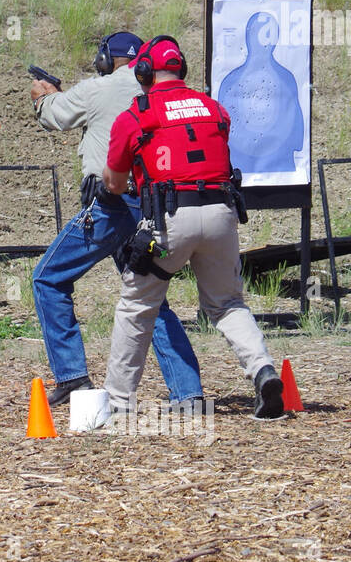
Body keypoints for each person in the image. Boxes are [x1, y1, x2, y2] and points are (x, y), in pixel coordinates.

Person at [101, 36, 285, 419]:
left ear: (144, 72)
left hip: (169, 220)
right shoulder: (214, 108)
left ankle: (118, 405)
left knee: (137, 306)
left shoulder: (135, 115)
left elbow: (115, 183)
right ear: (181, 69)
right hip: (221, 214)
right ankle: (263, 370)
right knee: (228, 304)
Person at [30, 32, 204, 409]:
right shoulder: (161, 93)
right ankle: (188, 392)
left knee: (48, 278)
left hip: (110, 206)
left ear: (109, 59)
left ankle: (73, 376)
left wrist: (43, 97)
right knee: (149, 298)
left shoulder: (98, 88)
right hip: (151, 206)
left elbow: (55, 116)